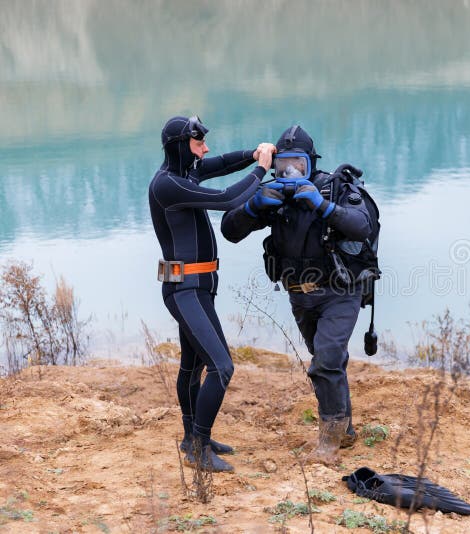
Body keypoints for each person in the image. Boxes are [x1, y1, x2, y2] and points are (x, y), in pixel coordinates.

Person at [221, 125, 378, 465]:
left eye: (298, 164)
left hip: (340, 290)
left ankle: (330, 441)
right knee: (329, 360)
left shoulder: (335, 188)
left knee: (325, 359)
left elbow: (363, 225)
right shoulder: (273, 195)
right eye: (284, 164)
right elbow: (229, 230)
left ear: (311, 162)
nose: (290, 172)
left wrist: (323, 207)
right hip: (299, 295)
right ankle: (346, 429)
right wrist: (253, 208)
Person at [148, 115, 276, 472]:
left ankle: (193, 438)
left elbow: (222, 163)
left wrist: (254, 153)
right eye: (198, 143)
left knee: (194, 365)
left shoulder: (187, 175)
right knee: (222, 367)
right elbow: (226, 198)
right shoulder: (167, 185)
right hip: (184, 289)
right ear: (180, 146)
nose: (205, 149)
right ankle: (199, 448)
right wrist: (261, 169)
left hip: (198, 288)